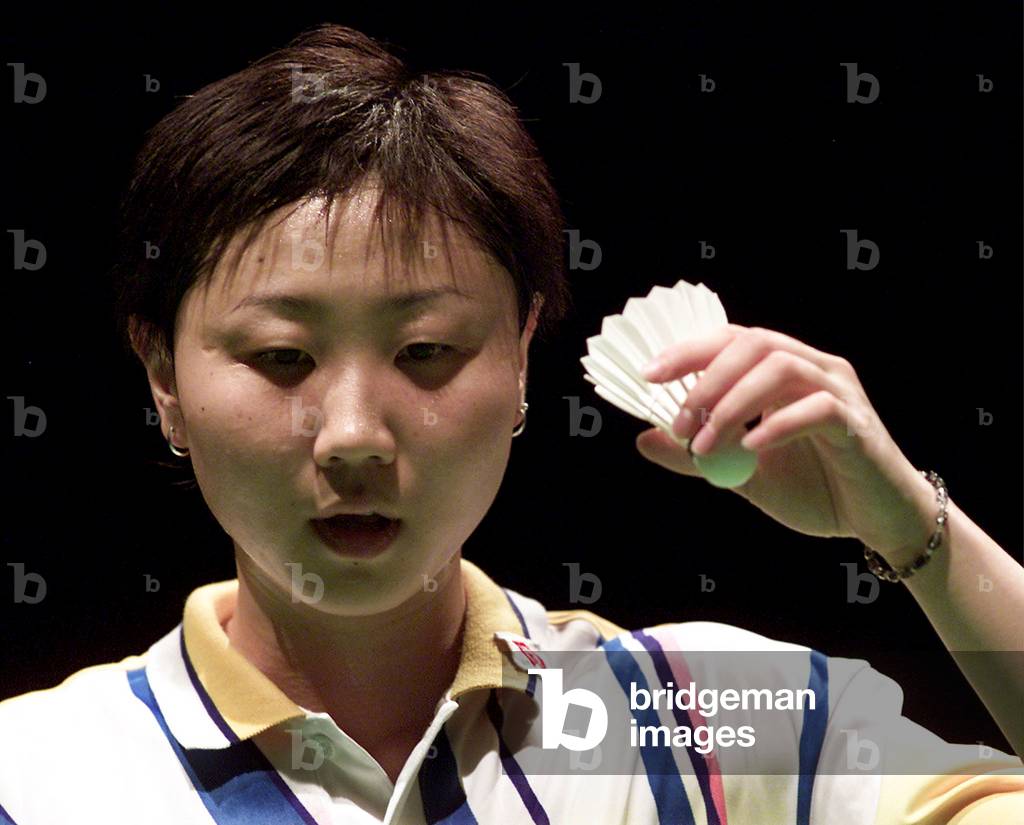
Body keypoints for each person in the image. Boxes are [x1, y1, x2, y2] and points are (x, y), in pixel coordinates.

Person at [1, 22, 1021, 825]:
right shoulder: (34, 780)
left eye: (427, 353)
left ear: (523, 355)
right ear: (162, 376)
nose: (353, 433)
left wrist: (915, 539)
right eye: (281, 359)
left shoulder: (706, 723)